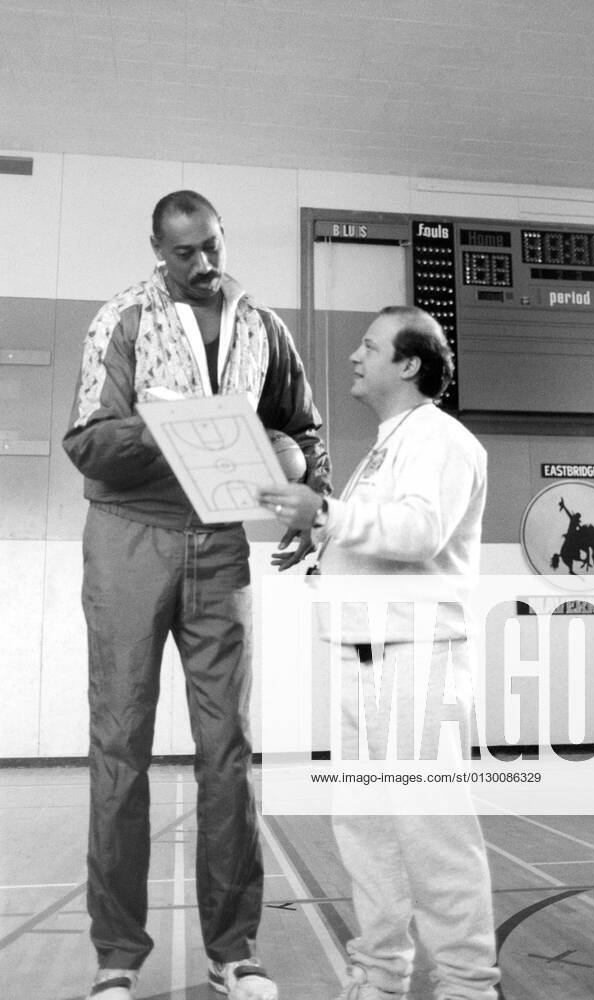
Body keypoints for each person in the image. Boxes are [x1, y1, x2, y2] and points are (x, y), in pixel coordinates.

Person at [63, 190, 331, 1000]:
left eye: (212, 245)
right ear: (158, 248)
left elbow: (305, 432)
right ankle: (117, 958)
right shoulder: (121, 320)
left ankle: (233, 952)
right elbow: (87, 444)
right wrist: (169, 425)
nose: (204, 262)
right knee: (120, 746)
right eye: (185, 252)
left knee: (228, 749)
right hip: (129, 537)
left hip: (219, 542)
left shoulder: (264, 327)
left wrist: (311, 499)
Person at [259, 306, 500, 1000]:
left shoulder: (442, 440)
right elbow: (377, 532)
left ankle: (467, 986)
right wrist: (321, 541)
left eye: (370, 346)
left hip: (415, 658)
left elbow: (420, 532)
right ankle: (381, 974)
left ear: (410, 364)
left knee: (432, 832)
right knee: (367, 830)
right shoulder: (387, 447)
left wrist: (326, 513)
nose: (355, 357)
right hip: (361, 655)